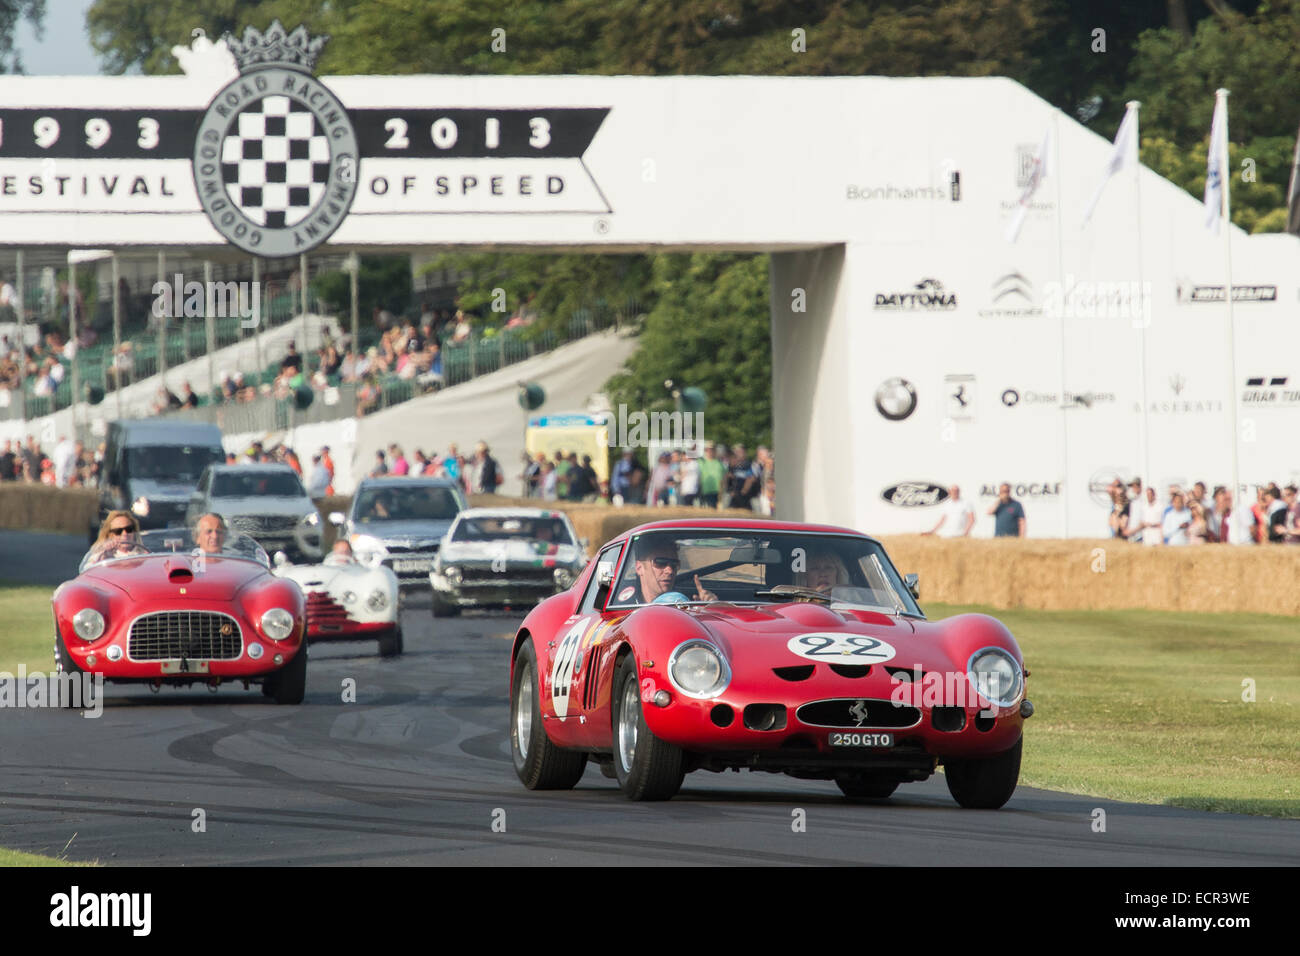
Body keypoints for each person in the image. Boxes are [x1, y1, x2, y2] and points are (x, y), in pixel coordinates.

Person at [623, 537, 714, 603]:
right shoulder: (623, 608)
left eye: (674, 564)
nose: (670, 571)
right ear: (639, 568)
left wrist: (709, 608)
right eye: (660, 563)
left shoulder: (687, 604)